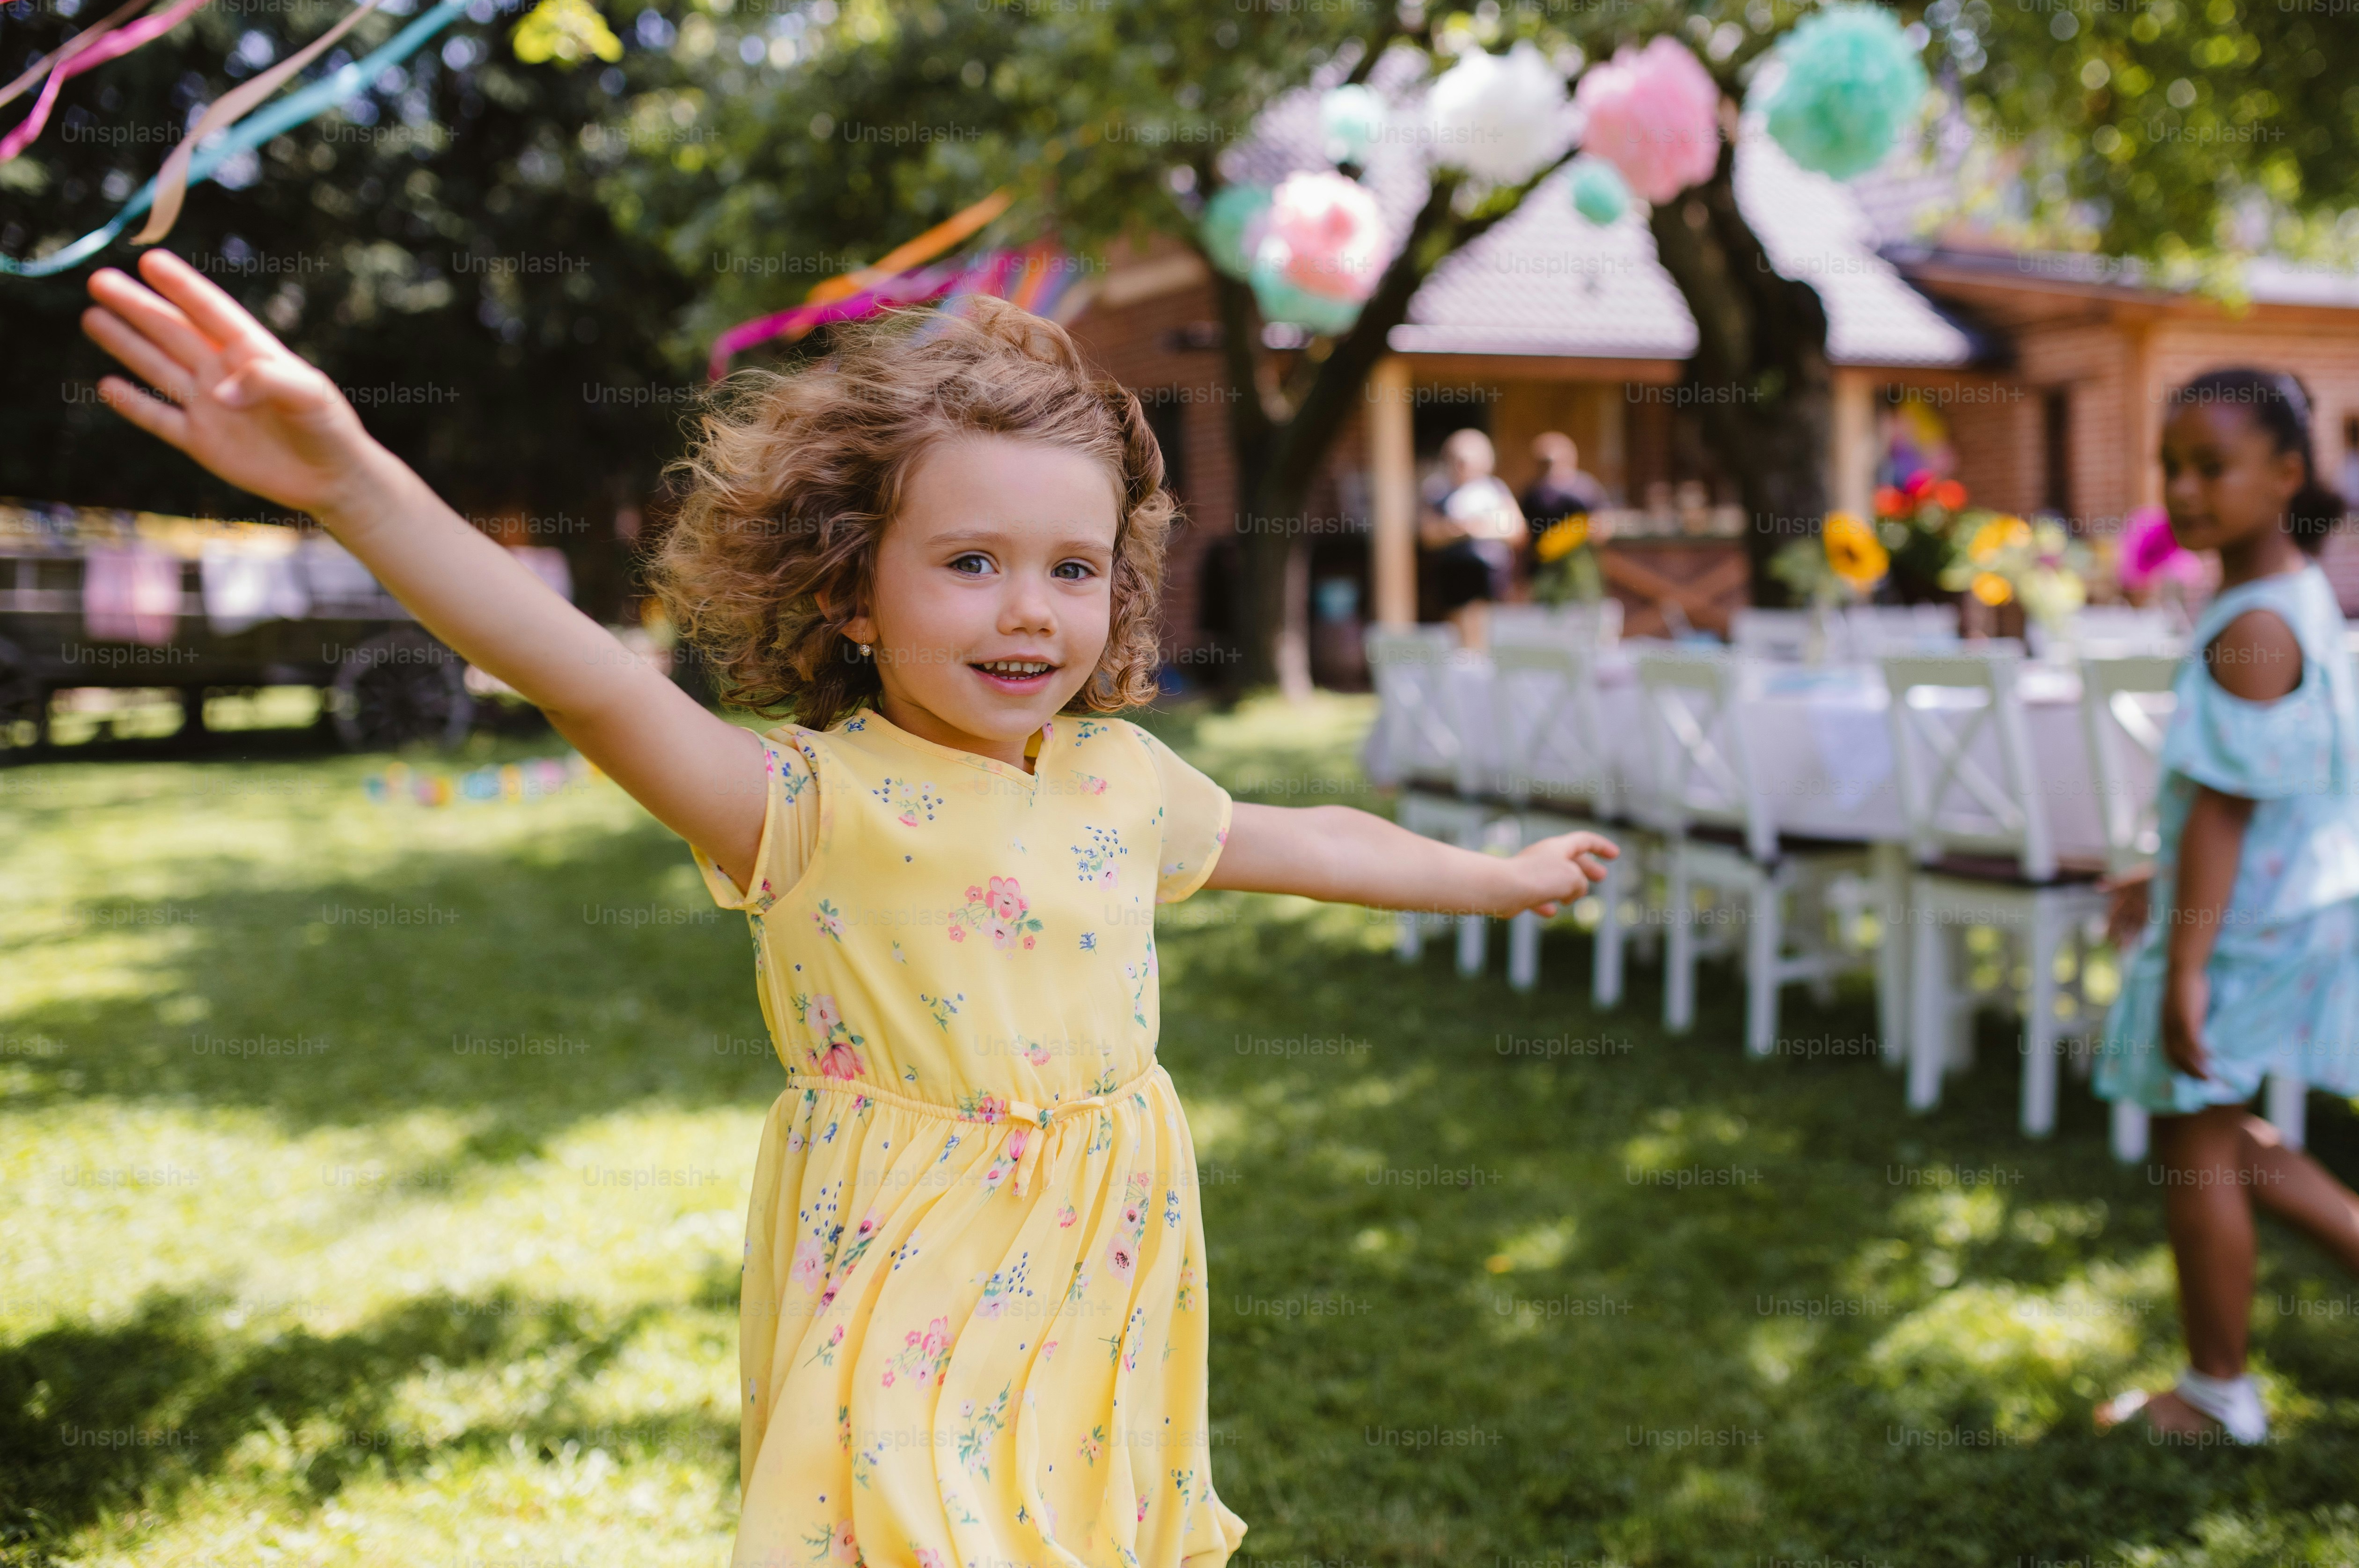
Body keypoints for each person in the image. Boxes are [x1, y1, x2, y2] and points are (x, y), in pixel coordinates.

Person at [78, 251, 1618, 1568]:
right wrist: (354, 480)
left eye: (1070, 567)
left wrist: (1494, 877)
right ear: (847, 590)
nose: (1029, 607)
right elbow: (589, 678)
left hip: (1110, 1233)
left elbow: (1314, 838)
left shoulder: (1121, 779)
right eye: (967, 562)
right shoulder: (807, 803)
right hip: (906, 1253)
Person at [2091, 367, 2359, 1446]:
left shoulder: (2250, 622)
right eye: (2170, 466)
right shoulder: (2278, 590)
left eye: (2210, 466)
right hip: (2288, 896)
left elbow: (2223, 812)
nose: (2183, 488)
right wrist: (2159, 882)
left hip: (2252, 917)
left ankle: (2218, 1391)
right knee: (2205, 1124)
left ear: (2286, 473)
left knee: (2190, 1137)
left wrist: (2182, 962)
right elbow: (2263, 783)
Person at [1418, 425, 1522, 649]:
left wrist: (1483, 529)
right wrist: (1455, 530)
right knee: (1459, 636)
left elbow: (1518, 531)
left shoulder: (1495, 490)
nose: (1462, 466)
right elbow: (1427, 535)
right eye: (1457, 460)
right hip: (1454, 574)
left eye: (1467, 461)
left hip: (1492, 575)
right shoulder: (1438, 491)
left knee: (1488, 632)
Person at [1517, 430, 1609, 607]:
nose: (1548, 468)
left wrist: (1568, 538)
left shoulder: (1586, 489)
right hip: (1542, 573)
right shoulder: (1532, 494)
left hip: (1580, 570)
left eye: (1552, 462)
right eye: (1542, 463)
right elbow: (1524, 537)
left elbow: (1602, 529)